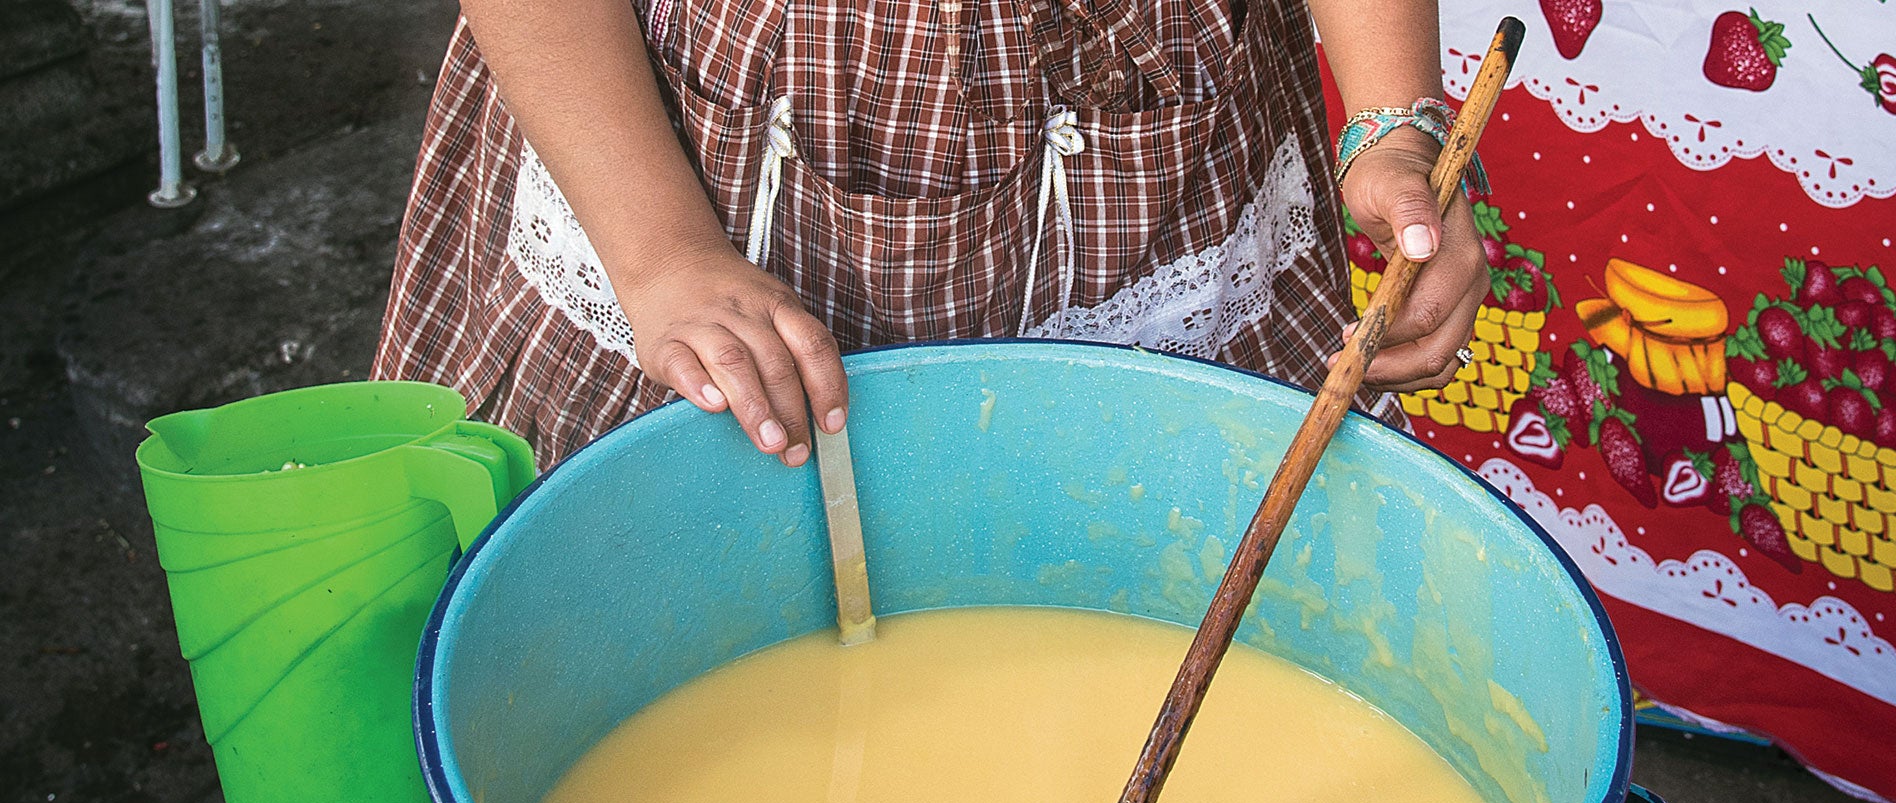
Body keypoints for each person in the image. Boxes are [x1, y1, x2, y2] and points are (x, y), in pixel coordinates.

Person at [374, 0, 1488, 470]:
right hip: (683, 165)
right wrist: (665, 256)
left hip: (1153, 163)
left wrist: (1393, 119)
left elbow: (1391, 116)